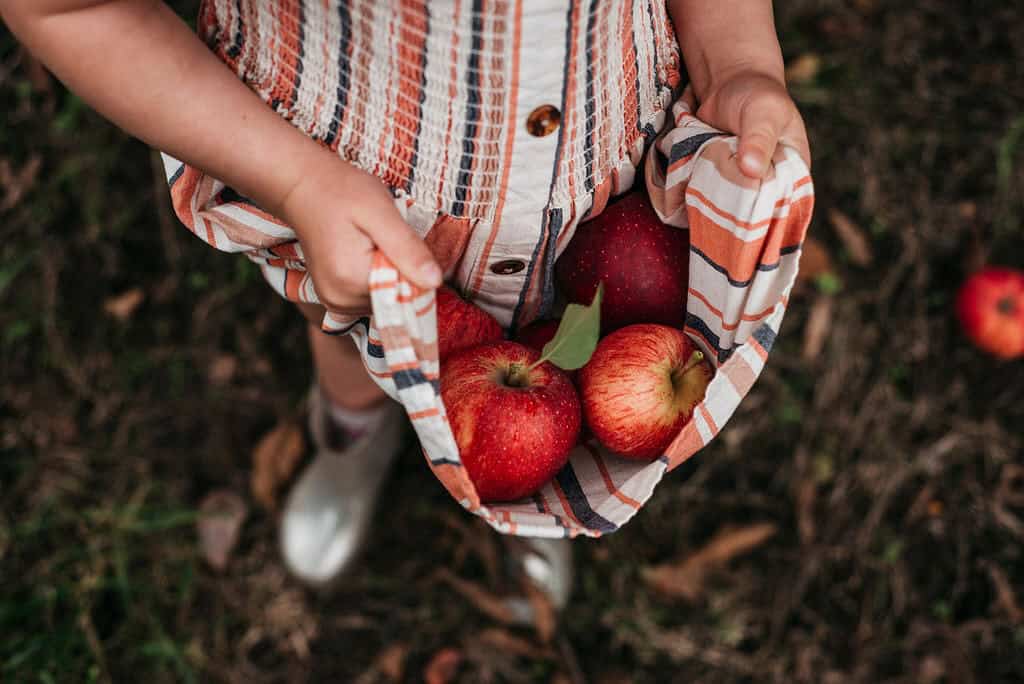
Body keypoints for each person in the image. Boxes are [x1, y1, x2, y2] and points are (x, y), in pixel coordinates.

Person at [1, 0, 809, 601]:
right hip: (338, 185)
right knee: (344, 332)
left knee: (546, 398)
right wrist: (291, 178)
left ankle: (521, 487)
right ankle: (355, 435)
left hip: (608, 182)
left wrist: (738, 60)